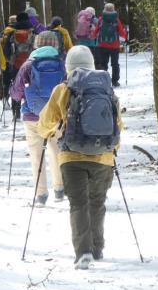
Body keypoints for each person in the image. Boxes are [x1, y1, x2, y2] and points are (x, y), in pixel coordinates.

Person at [38, 45, 122, 269]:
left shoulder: (63, 89)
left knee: (78, 204)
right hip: (103, 157)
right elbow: (118, 124)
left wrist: (48, 133)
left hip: (71, 157)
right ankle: (97, 248)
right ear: (92, 65)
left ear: (68, 67)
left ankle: (83, 253)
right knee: (97, 203)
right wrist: (113, 150)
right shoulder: (106, 90)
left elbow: (45, 123)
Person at [10, 31, 66, 205]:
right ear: (55, 45)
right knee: (56, 151)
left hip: (32, 115)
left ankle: (41, 194)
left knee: (36, 154)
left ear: (36, 44)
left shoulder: (27, 66)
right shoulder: (62, 64)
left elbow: (17, 94)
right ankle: (59, 188)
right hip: (56, 115)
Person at [4, 12, 36, 120]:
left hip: (16, 65)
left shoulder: (12, 34)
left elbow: (7, 51)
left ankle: (16, 113)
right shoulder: (33, 33)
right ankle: (31, 110)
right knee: (31, 86)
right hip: (31, 64)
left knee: (16, 87)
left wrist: (10, 62)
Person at [92, 3, 126, 87]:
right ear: (113, 9)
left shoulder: (100, 19)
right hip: (114, 46)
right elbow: (122, 32)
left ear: (105, 9)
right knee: (115, 64)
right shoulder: (116, 20)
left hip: (102, 45)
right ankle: (115, 81)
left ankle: (104, 81)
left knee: (103, 64)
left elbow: (95, 32)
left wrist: (94, 37)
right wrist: (123, 39)